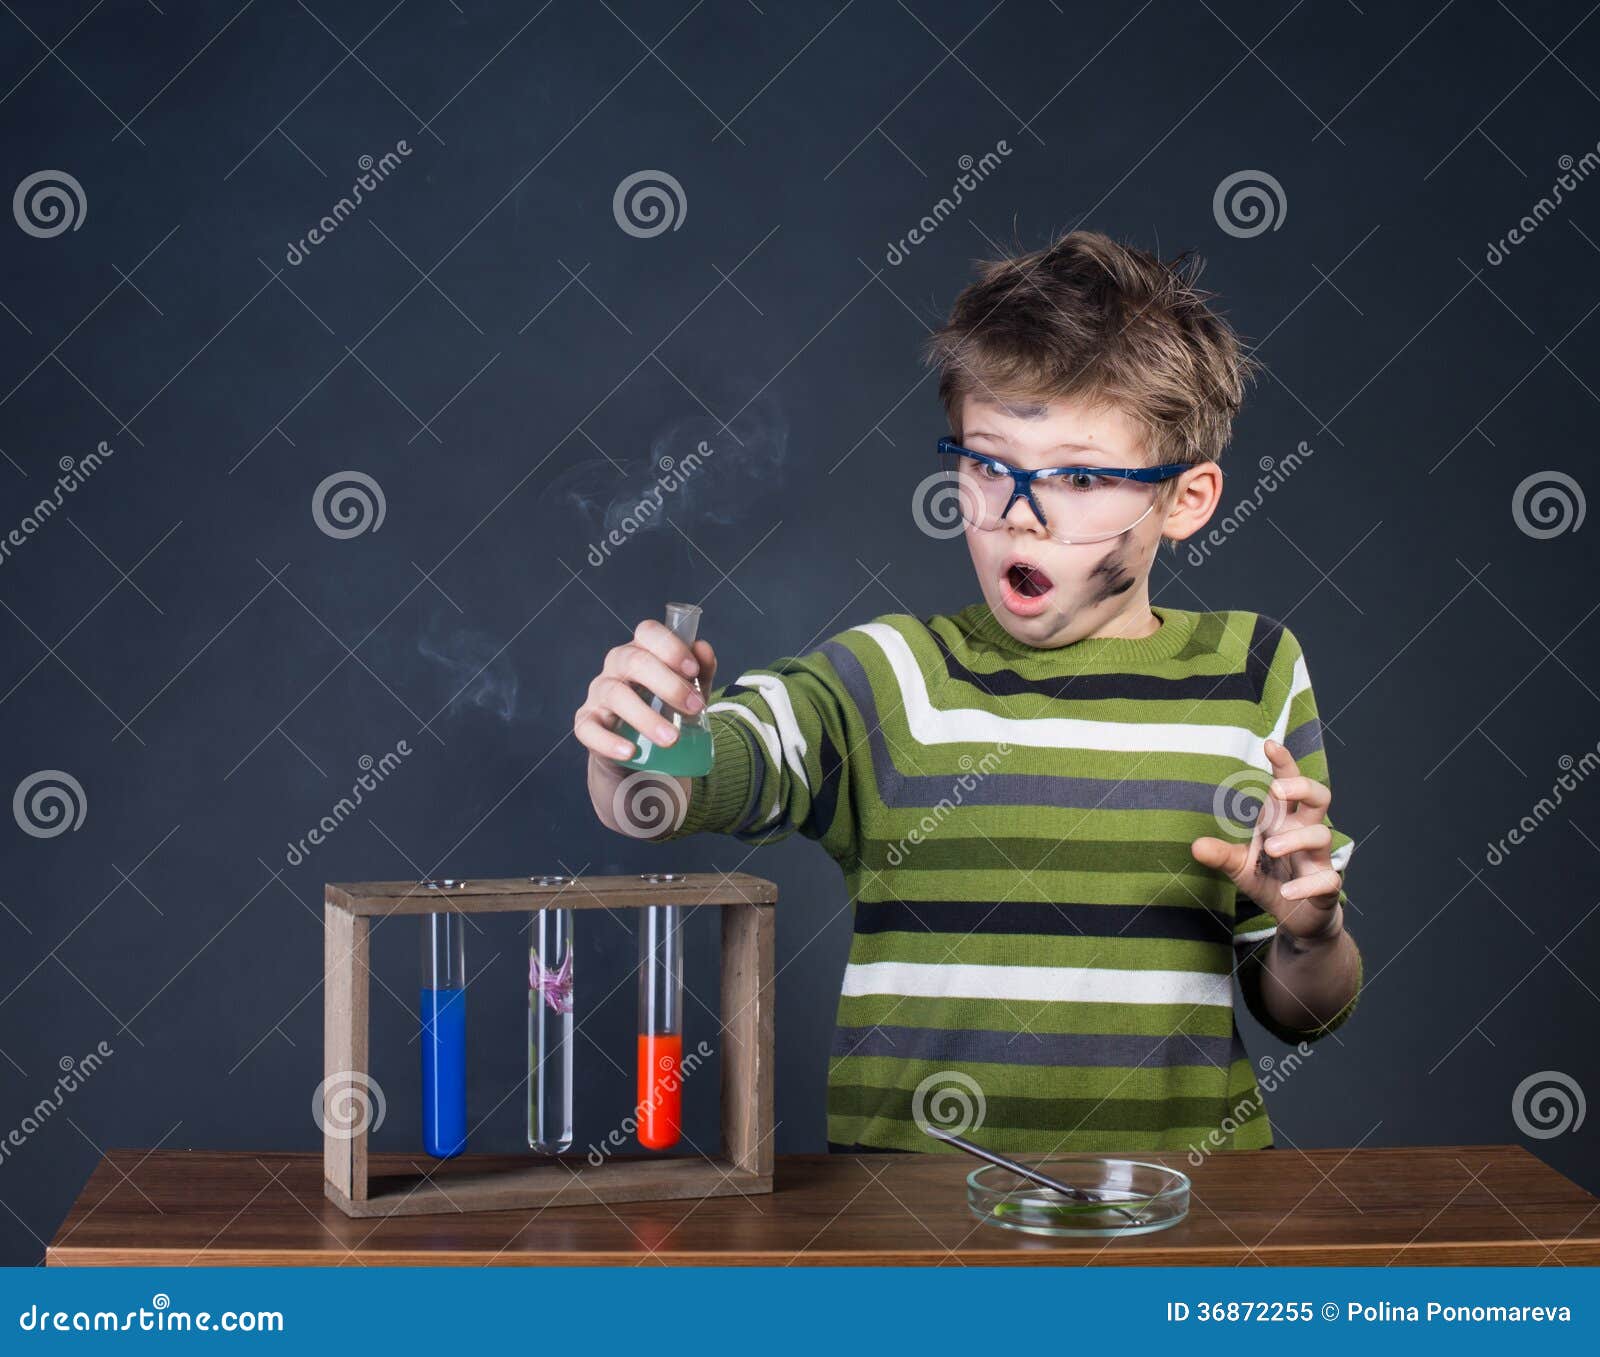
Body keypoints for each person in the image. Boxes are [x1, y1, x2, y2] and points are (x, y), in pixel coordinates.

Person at [573, 228, 1362, 1157]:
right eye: (988, 465)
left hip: (1179, 1230)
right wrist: (642, 735)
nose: (1018, 511)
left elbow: (1302, 1012)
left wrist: (1311, 933)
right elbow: (683, 785)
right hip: (915, 1239)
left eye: (1077, 476)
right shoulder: (892, 676)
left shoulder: (1252, 669)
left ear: (1185, 499)